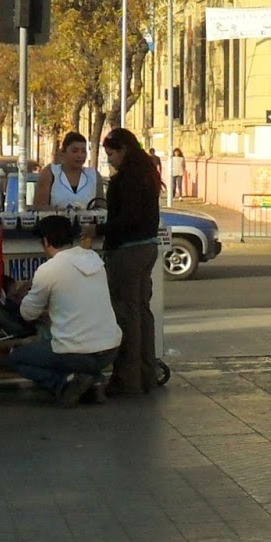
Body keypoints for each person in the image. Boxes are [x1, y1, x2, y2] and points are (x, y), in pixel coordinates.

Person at [7, 215, 123, 406]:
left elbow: (27, 314)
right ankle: (93, 380)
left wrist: (27, 294)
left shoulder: (49, 270)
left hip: (76, 352)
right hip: (110, 348)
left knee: (17, 358)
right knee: (72, 349)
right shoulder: (94, 259)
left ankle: (64, 383)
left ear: (46, 241)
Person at [99, 128, 162, 397]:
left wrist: (99, 230)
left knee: (126, 315)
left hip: (126, 251)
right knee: (142, 311)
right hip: (147, 248)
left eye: (111, 154)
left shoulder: (125, 180)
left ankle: (127, 379)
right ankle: (147, 374)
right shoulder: (148, 173)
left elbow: (126, 219)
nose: (110, 160)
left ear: (123, 149)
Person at [34, 131, 103, 209]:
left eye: (83, 151)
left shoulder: (93, 175)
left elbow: (101, 207)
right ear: (63, 152)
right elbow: (39, 207)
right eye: (74, 151)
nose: (80, 155)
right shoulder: (51, 173)